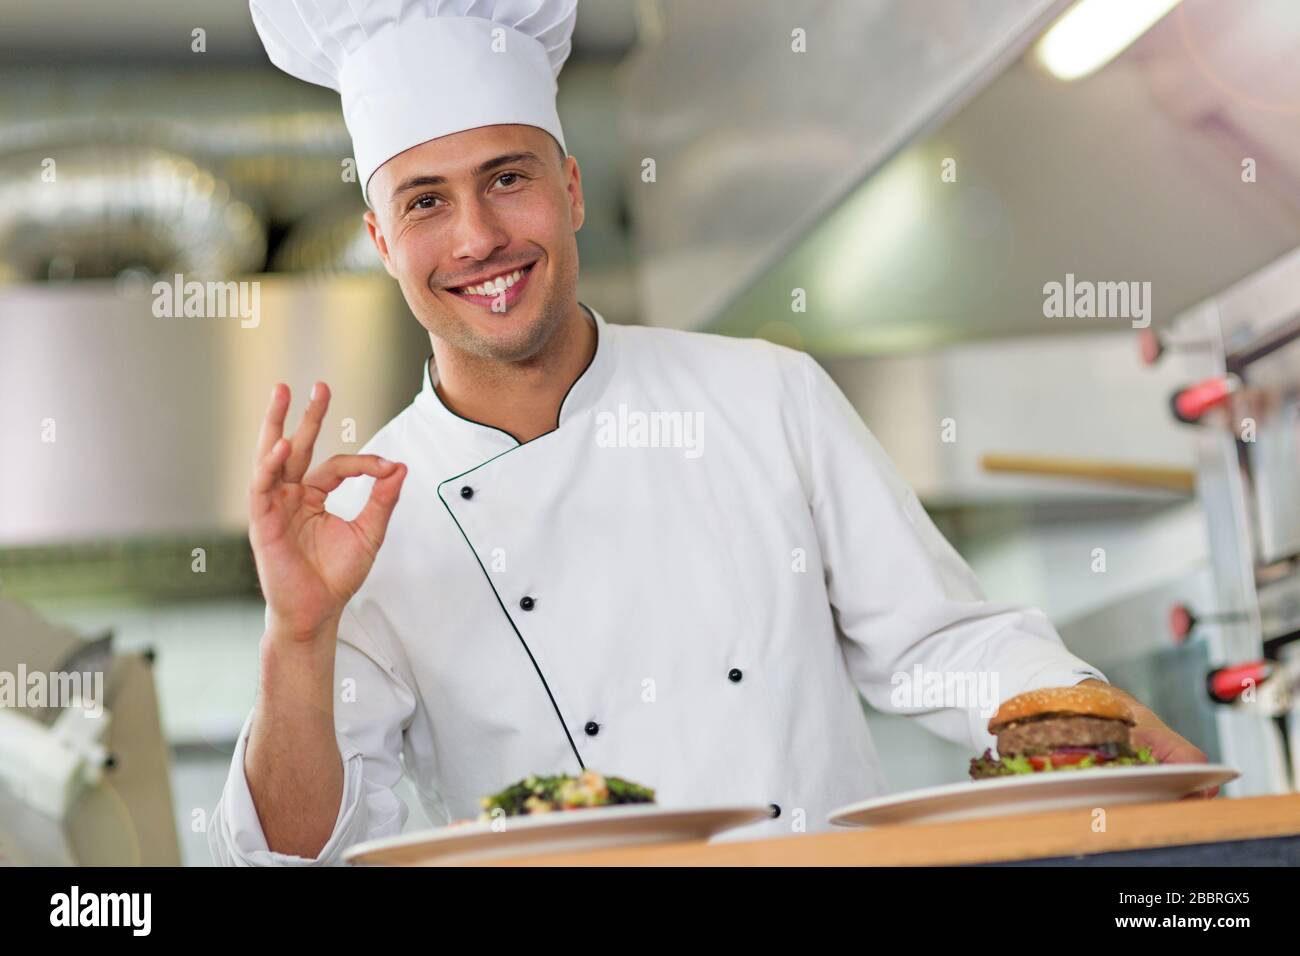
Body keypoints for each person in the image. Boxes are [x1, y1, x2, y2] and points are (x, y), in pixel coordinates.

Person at [210, 0, 1212, 866]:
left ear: (571, 187)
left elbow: (939, 643)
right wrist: (296, 631)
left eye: (507, 178)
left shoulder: (765, 396)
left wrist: (1098, 719)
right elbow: (301, 852)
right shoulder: (363, 523)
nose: (477, 237)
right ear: (382, 238)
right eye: (425, 201)